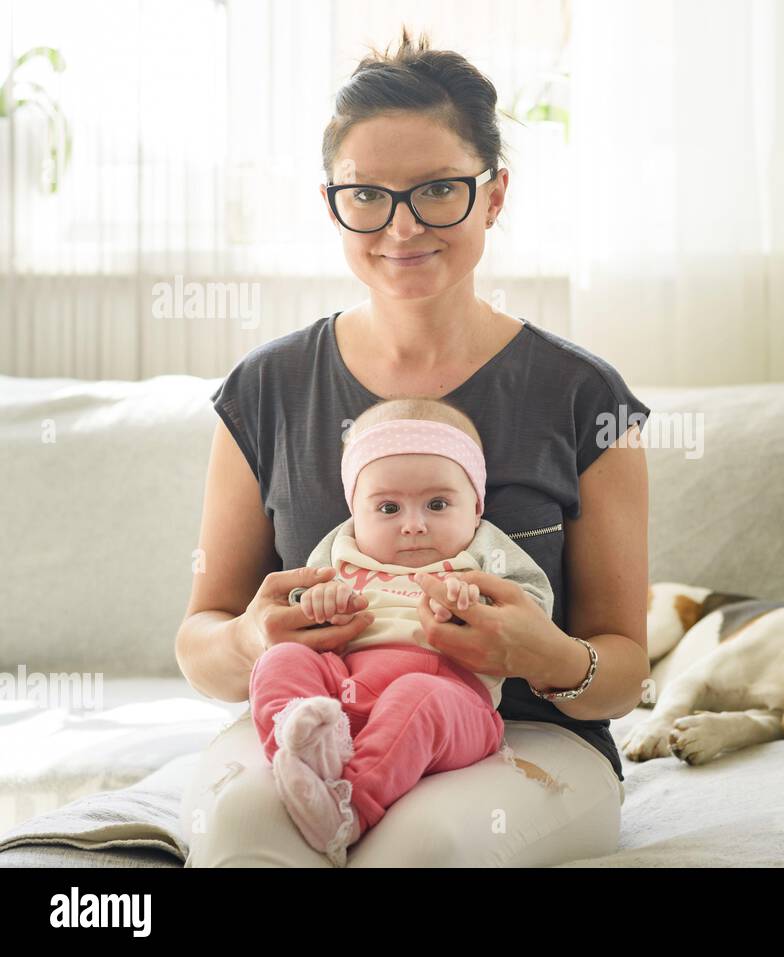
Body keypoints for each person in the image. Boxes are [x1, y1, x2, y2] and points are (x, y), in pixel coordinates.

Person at [176, 28, 651, 867]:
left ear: (495, 194)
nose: (402, 225)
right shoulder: (266, 389)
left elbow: (623, 670)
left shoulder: (585, 397)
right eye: (367, 195)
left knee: (421, 843)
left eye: (438, 190)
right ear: (332, 202)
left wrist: (541, 655)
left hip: (522, 743)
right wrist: (254, 639)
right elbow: (201, 639)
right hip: (319, 715)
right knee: (249, 825)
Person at [254, 397, 558, 866]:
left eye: (438, 504)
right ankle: (300, 750)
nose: (414, 526)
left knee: (418, 694)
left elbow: (532, 610)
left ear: (475, 506)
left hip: (451, 700)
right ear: (355, 510)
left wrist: (475, 604)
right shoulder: (341, 550)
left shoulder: (482, 553)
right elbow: (300, 605)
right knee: (279, 661)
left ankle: (350, 804)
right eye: (389, 507)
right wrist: (318, 604)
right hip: (342, 691)